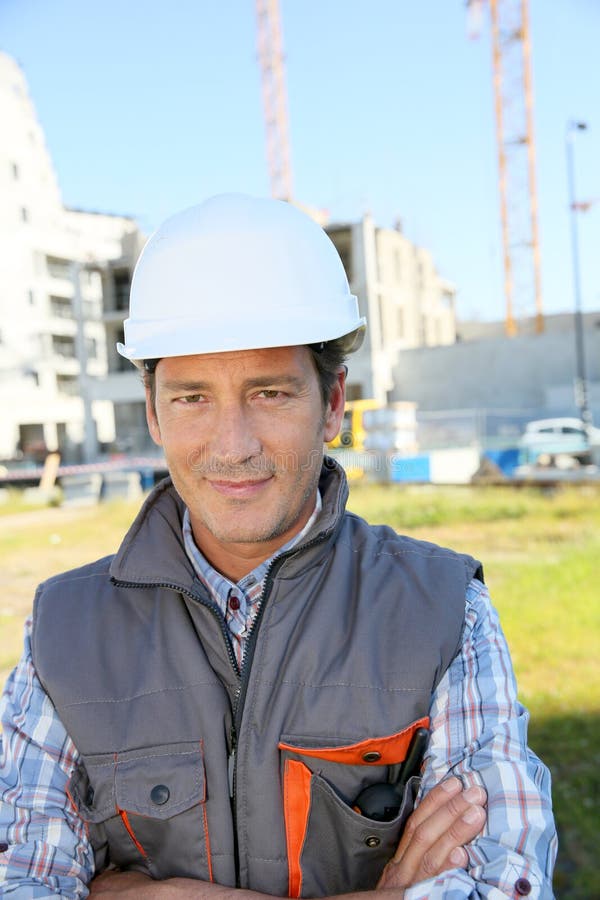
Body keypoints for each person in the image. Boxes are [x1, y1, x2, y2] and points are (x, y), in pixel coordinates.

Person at [0, 194, 556, 898]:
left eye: (269, 394)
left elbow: (505, 884)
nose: (233, 446)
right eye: (193, 398)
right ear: (152, 413)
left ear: (331, 405)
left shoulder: (446, 613)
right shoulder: (63, 633)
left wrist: (142, 893)